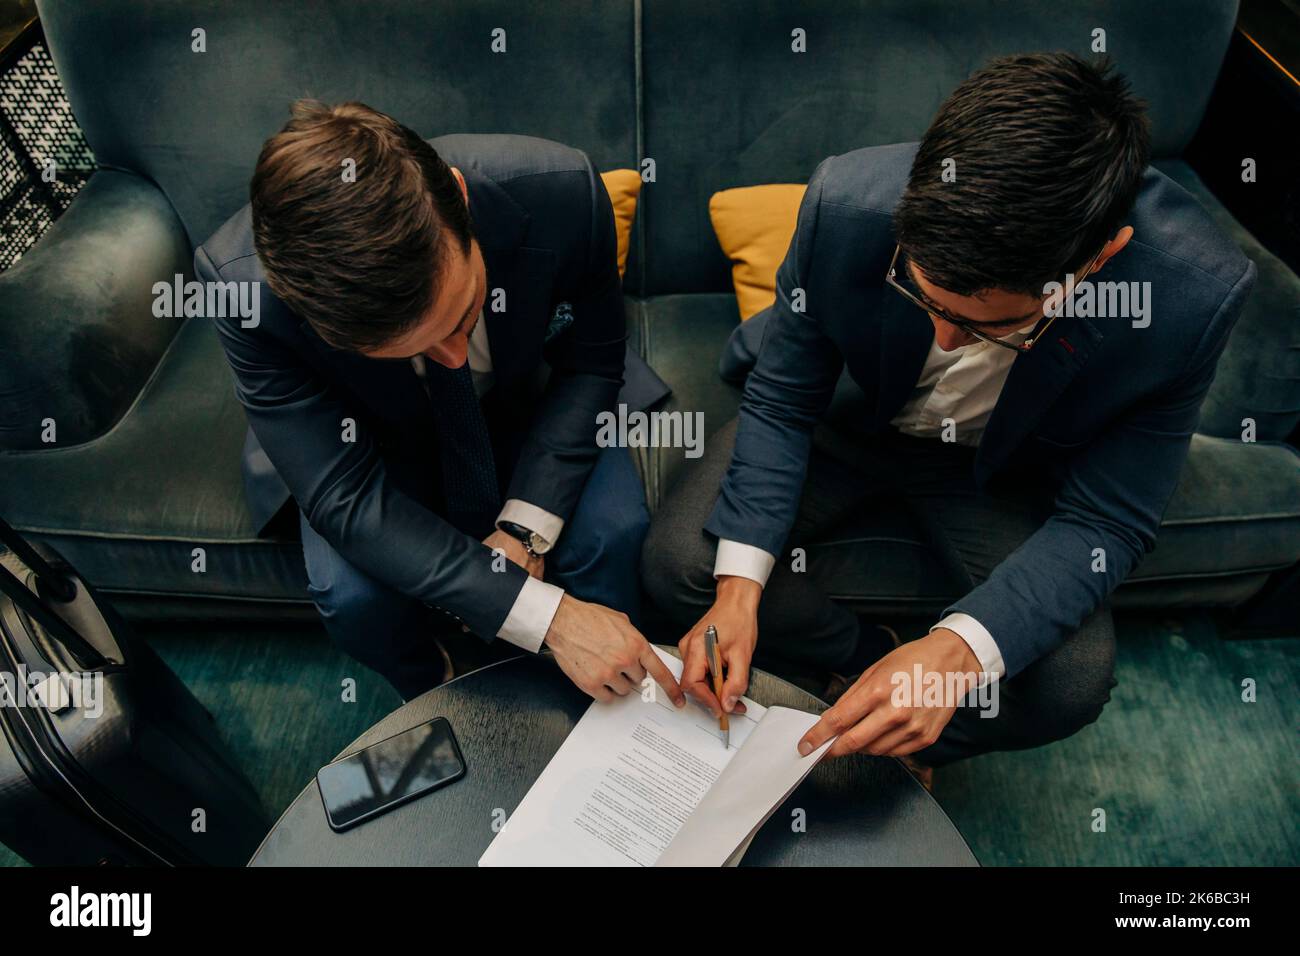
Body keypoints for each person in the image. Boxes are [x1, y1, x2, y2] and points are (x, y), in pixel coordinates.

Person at [643, 53, 1255, 776]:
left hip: (998, 471)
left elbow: (1108, 522)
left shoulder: (1192, 297)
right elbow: (782, 397)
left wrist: (953, 655)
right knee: (680, 567)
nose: (945, 340)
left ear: (1099, 260)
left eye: (993, 326)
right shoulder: (845, 201)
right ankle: (864, 658)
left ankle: (885, 749)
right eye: (924, 296)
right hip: (849, 425)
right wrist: (740, 596)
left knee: (1069, 684)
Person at [197, 101, 683, 707]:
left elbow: (591, 362)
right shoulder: (238, 289)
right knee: (350, 598)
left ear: (458, 196)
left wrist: (522, 531)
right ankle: (437, 688)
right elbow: (344, 498)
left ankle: (610, 715)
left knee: (613, 536)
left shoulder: (563, 189)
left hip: (531, 400)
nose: (452, 357)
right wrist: (543, 613)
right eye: (406, 348)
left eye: (463, 313)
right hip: (370, 439)